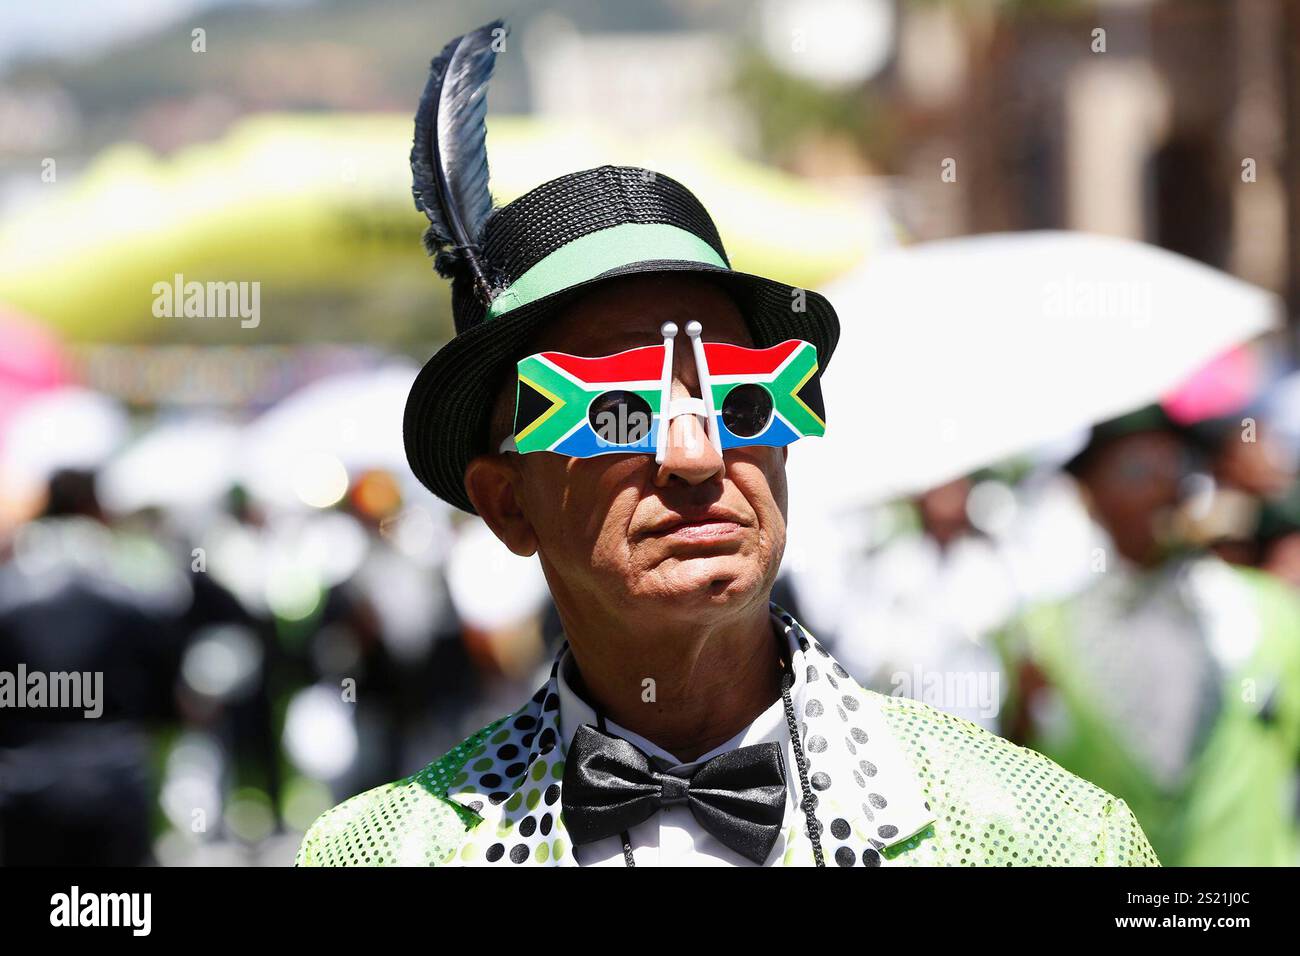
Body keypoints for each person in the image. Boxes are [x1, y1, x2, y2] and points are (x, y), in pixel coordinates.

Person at [297, 20, 1158, 867]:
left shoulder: (1049, 838)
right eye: (616, 415)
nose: (696, 457)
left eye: (745, 403)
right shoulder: (389, 853)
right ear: (507, 502)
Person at [1001, 408, 1300, 866]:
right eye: (1136, 469)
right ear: (1088, 494)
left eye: (1176, 465)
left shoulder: (1269, 613)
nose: (1161, 486)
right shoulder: (1040, 637)